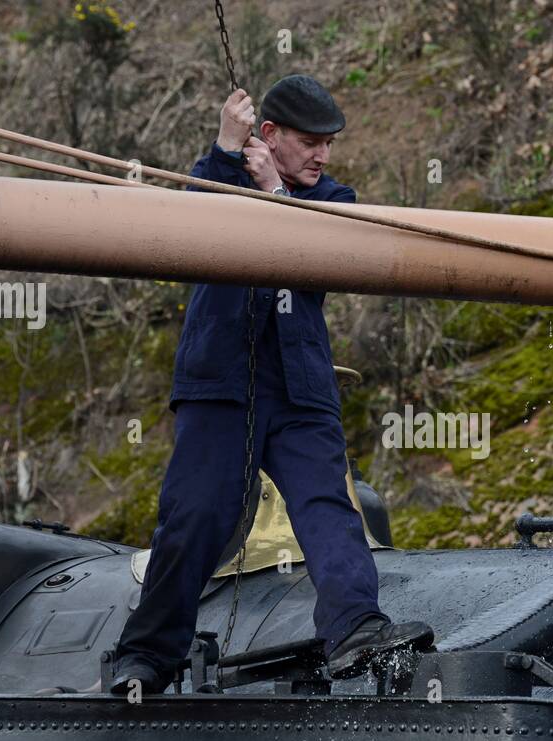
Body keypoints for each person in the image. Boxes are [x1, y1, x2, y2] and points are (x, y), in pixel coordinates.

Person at [110, 75, 434, 695]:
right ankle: (149, 654)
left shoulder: (335, 197)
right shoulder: (218, 178)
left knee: (327, 506)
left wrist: (276, 190)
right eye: (311, 142)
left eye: (329, 144)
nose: (324, 155)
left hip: (301, 387)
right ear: (268, 135)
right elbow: (184, 225)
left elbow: (334, 242)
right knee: (197, 514)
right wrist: (225, 149)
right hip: (220, 384)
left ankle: (354, 626)